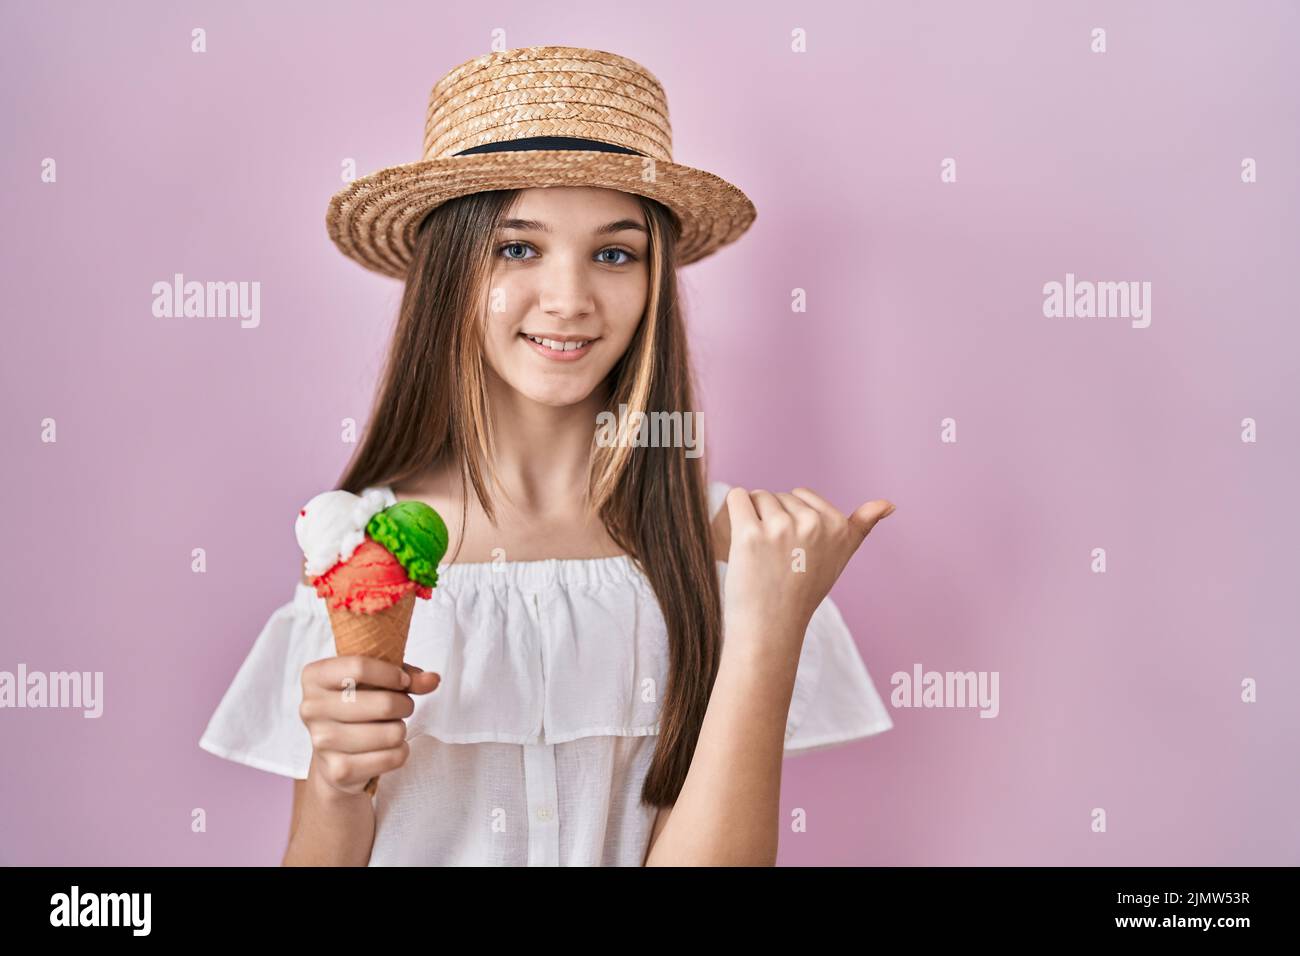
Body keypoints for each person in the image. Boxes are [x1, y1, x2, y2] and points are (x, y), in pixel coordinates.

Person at [199, 45, 896, 866]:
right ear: (449, 272)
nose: (568, 300)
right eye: (517, 247)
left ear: (652, 280)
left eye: (614, 253)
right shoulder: (357, 548)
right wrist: (333, 783)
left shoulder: (726, 550)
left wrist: (767, 630)